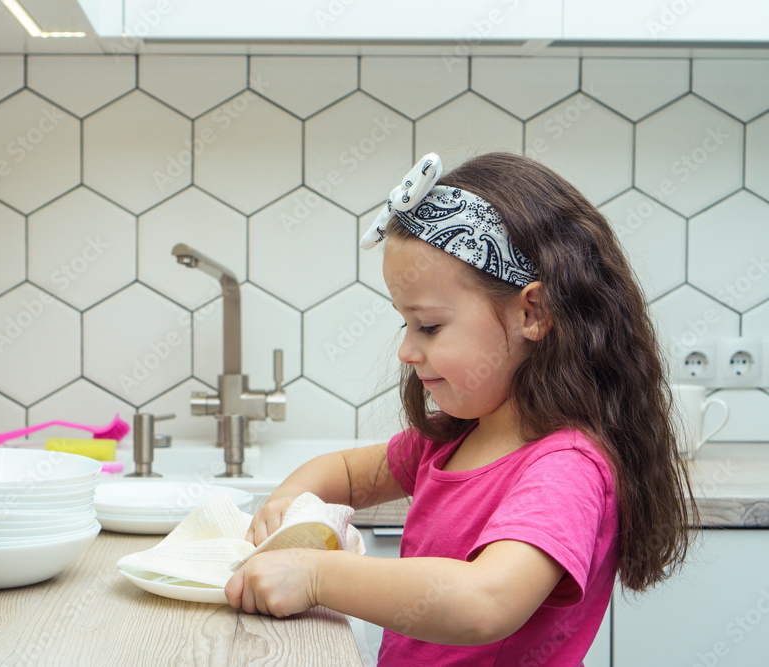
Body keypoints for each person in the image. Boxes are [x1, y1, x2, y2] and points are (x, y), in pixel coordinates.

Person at [224, 152, 695, 665]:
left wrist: (314, 576)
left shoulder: (565, 468)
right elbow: (347, 474)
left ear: (531, 313)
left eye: (428, 325)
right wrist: (289, 500)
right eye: (403, 323)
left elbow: (485, 602)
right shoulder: (456, 439)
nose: (406, 349)